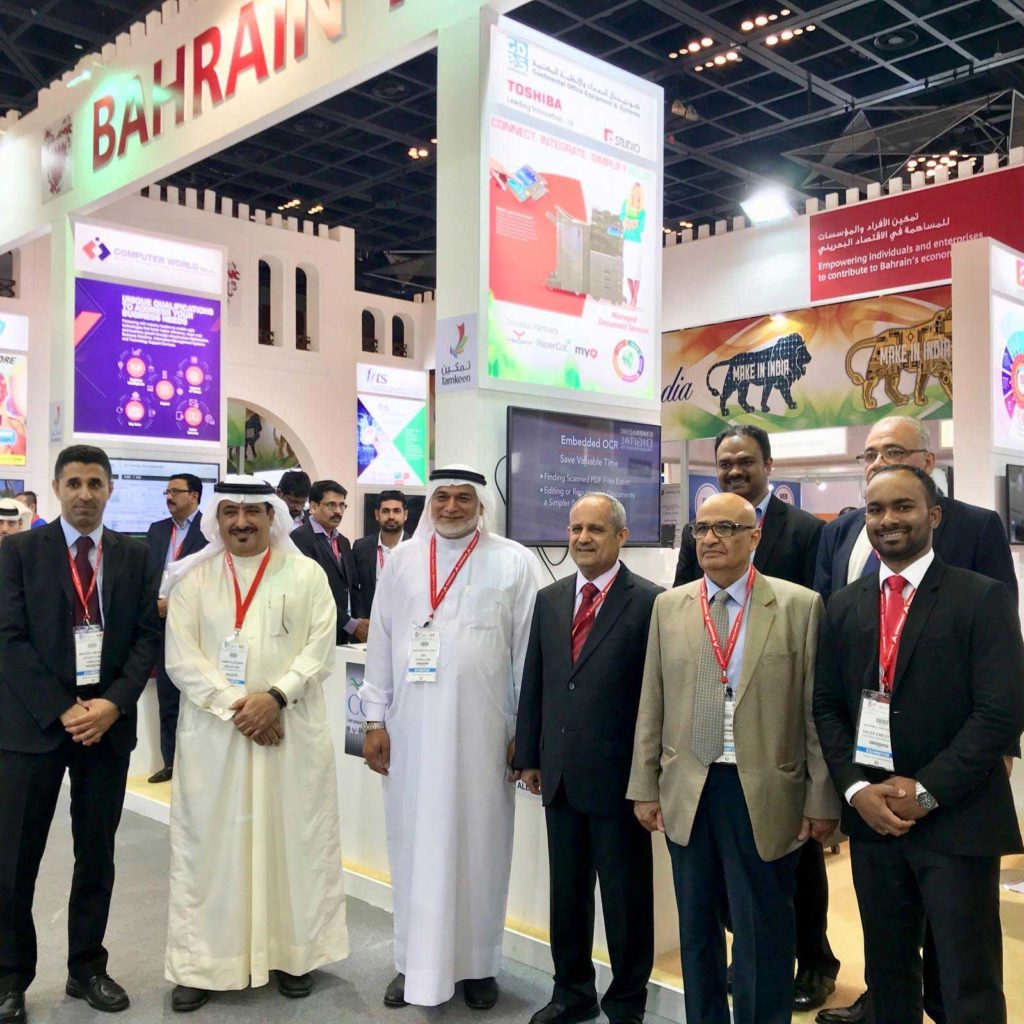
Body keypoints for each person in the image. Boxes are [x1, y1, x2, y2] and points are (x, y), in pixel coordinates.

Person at [813, 415, 1018, 1024]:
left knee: (967, 981)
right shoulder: (843, 607)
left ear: (934, 515)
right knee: (888, 975)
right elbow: (826, 706)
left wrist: (927, 792)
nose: (888, 520)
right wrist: (856, 791)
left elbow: (1000, 712)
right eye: (875, 510)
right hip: (875, 821)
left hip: (957, 818)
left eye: (903, 507)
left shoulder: (980, 597)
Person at [628, 492, 839, 1024]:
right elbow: (652, 702)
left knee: (762, 930)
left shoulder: (798, 606)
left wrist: (820, 799)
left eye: (725, 528)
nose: (710, 539)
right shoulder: (669, 607)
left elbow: (814, 714)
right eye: (701, 529)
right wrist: (644, 787)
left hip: (763, 790)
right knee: (697, 930)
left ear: (754, 537)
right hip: (688, 788)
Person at [162, 476, 347, 1012]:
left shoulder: (306, 574)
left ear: (272, 516)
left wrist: (277, 697)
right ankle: (203, 963)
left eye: (252, 512)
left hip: (289, 732)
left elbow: (320, 648)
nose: (241, 522)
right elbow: (182, 659)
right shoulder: (194, 579)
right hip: (215, 737)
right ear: (217, 519)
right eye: (230, 512)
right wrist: (240, 707)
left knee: (293, 842)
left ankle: (294, 955)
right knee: (210, 849)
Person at [361, 466, 537, 1010]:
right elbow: (381, 641)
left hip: (485, 736)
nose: (452, 507)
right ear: (429, 504)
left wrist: (524, 732)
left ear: (481, 505)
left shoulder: (514, 561)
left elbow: (528, 653)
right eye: (442, 497)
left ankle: (478, 965)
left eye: (464, 498)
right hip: (411, 734)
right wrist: (373, 721)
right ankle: (412, 963)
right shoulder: (403, 562)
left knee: (481, 847)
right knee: (412, 845)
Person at [673, 424, 835, 1012]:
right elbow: (678, 631)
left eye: (745, 460)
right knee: (708, 910)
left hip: (771, 752)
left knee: (782, 892)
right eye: (725, 462)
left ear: (768, 464)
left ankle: (811, 964)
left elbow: (814, 668)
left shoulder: (806, 542)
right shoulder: (685, 568)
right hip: (700, 758)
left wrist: (820, 790)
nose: (734, 470)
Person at [0, 445, 161, 1020]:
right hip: (33, 726)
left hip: (106, 728)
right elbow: (8, 638)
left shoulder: (135, 555)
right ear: (57, 487)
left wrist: (113, 704)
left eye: (95, 483)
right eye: (74, 483)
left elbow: (146, 638)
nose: (85, 494)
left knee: (96, 854)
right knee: (15, 859)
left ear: (111, 488)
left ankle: (87, 967)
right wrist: (63, 708)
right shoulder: (18, 552)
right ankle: (9, 979)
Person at [515, 493, 662, 1024]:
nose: (582, 538)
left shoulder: (651, 603)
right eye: (576, 528)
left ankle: (626, 1003)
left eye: (595, 529)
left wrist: (650, 777)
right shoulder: (551, 599)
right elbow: (537, 680)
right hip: (559, 776)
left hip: (620, 781)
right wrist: (529, 755)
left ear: (621, 536)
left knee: (626, 902)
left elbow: (657, 698)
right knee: (568, 895)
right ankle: (572, 993)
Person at [143, 474, 208, 784]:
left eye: (176, 491)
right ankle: (171, 764)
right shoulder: (157, 530)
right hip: (160, 620)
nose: (169, 497)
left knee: (195, 695)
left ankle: (198, 766)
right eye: (167, 491)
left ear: (194, 496)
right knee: (167, 695)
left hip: (196, 623)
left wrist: (177, 602)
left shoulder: (209, 530)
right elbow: (148, 573)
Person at [292, 479, 368, 644]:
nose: (338, 511)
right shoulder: (300, 539)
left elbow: (353, 588)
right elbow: (311, 593)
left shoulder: (343, 542)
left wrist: (360, 623)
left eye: (342, 505)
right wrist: (351, 625)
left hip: (345, 634)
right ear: (313, 507)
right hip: (315, 631)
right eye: (331, 505)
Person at [352, 490, 410, 611]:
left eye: (396, 511)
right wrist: (360, 618)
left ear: (405, 515)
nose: (391, 516)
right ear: (377, 515)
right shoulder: (361, 547)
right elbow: (354, 589)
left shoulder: (417, 549)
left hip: (406, 617)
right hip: (371, 618)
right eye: (385, 511)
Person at [620, 181, 646, 308]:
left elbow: (641, 228)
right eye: (635, 191)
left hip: (636, 243)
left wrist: (632, 226)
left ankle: (634, 299)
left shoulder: (642, 211)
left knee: (636, 272)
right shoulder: (626, 203)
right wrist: (627, 223)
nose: (636, 194)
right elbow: (621, 216)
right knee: (628, 271)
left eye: (638, 192)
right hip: (627, 240)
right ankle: (632, 298)